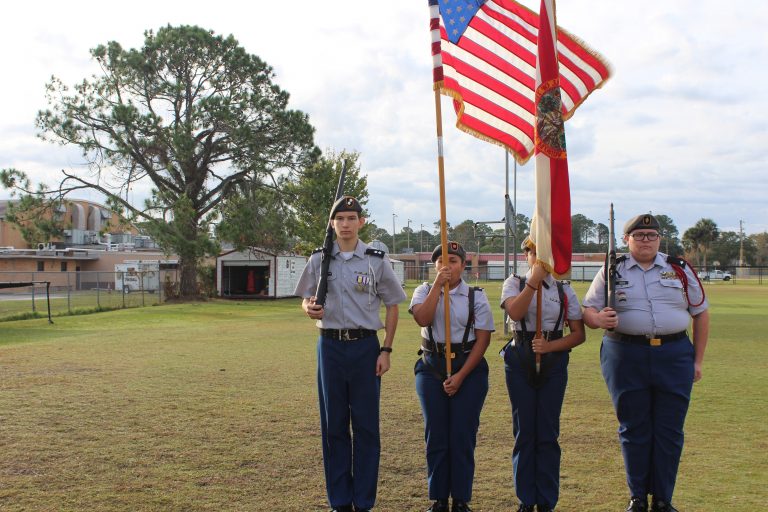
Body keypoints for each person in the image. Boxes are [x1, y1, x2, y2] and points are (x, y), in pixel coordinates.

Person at [582, 213, 710, 512]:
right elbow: (588, 309)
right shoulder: (612, 268)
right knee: (633, 427)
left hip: (674, 353)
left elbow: (701, 312)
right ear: (627, 240)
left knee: (670, 430)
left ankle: (663, 499)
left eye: (651, 236)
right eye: (638, 235)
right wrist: (598, 319)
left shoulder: (678, 269)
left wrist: (698, 360)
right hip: (625, 354)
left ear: (659, 239)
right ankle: (637, 497)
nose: (646, 240)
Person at [294, 195, 407, 512]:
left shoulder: (375, 260)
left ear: (361, 222)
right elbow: (305, 299)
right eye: (339, 218)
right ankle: (340, 501)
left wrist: (386, 349)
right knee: (334, 426)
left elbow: (393, 306)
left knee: (367, 427)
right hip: (329, 347)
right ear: (332, 223)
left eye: (351, 218)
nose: (345, 224)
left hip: (365, 347)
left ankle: (364, 501)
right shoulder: (319, 259)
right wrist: (309, 309)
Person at [499, 236, 586, 512]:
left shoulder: (563, 290)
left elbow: (578, 334)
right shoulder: (515, 282)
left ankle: (546, 500)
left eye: (544, 254)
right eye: (534, 253)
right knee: (525, 431)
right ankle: (526, 499)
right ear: (526, 256)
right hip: (521, 355)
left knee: (547, 432)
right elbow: (515, 311)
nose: (539, 259)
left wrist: (550, 346)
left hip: (553, 358)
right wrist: (533, 282)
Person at [409, 242, 494, 512]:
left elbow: (483, 340)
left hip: (468, 367)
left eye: (454, 261)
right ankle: (438, 499)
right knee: (436, 434)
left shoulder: (475, 296)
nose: (447, 266)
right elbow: (422, 319)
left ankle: (460, 498)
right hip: (432, 366)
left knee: (461, 434)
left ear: (463, 265)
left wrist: (460, 376)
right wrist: (437, 286)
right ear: (434, 265)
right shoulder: (423, 290)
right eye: (441, 261)